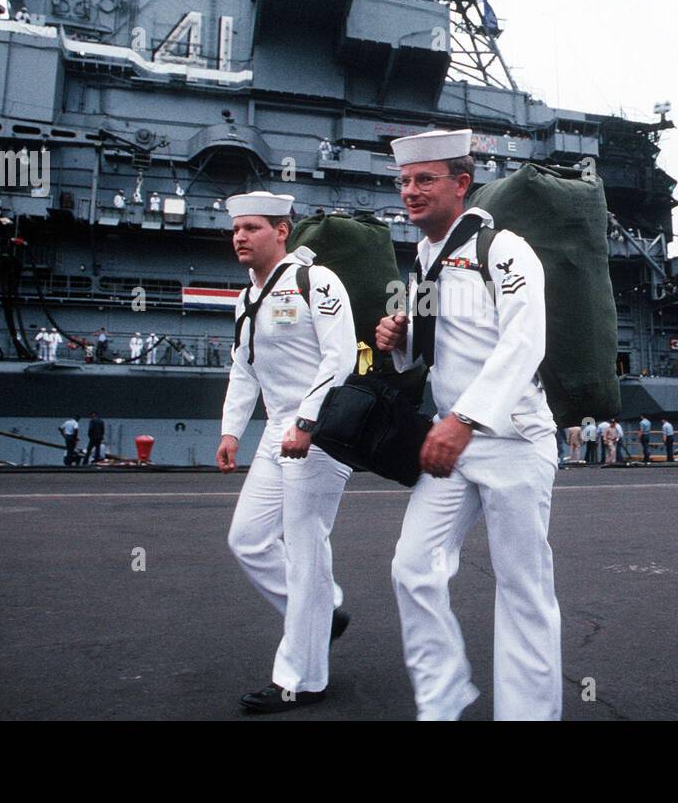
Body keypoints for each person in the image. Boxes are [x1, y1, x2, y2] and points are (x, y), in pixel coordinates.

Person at [376, 127, 561, 720]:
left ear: (461, 183)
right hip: (453, 442)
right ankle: (443, 698)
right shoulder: (425, 259)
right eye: (404, 181)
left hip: (510, 441)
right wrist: (398, 341)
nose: (410, 191)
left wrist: (465, 418)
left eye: (424, 179)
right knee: (413, 566)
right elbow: (433, 346)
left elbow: (524, 341)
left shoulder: (503, 250)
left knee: (523, 590)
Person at [216, 190, 357, 712]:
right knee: (248, 538)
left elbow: (339, 359)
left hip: (319, 433)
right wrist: (232, 431)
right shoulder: (246, 296)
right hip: (279, 431)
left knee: (305, 551)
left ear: (282, 230)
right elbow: (243, 367)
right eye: (235, 229)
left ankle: (300, 677)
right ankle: (327, 607)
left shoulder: (315, 281)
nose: (239, 237)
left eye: (251, 228)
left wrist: (306, 420)